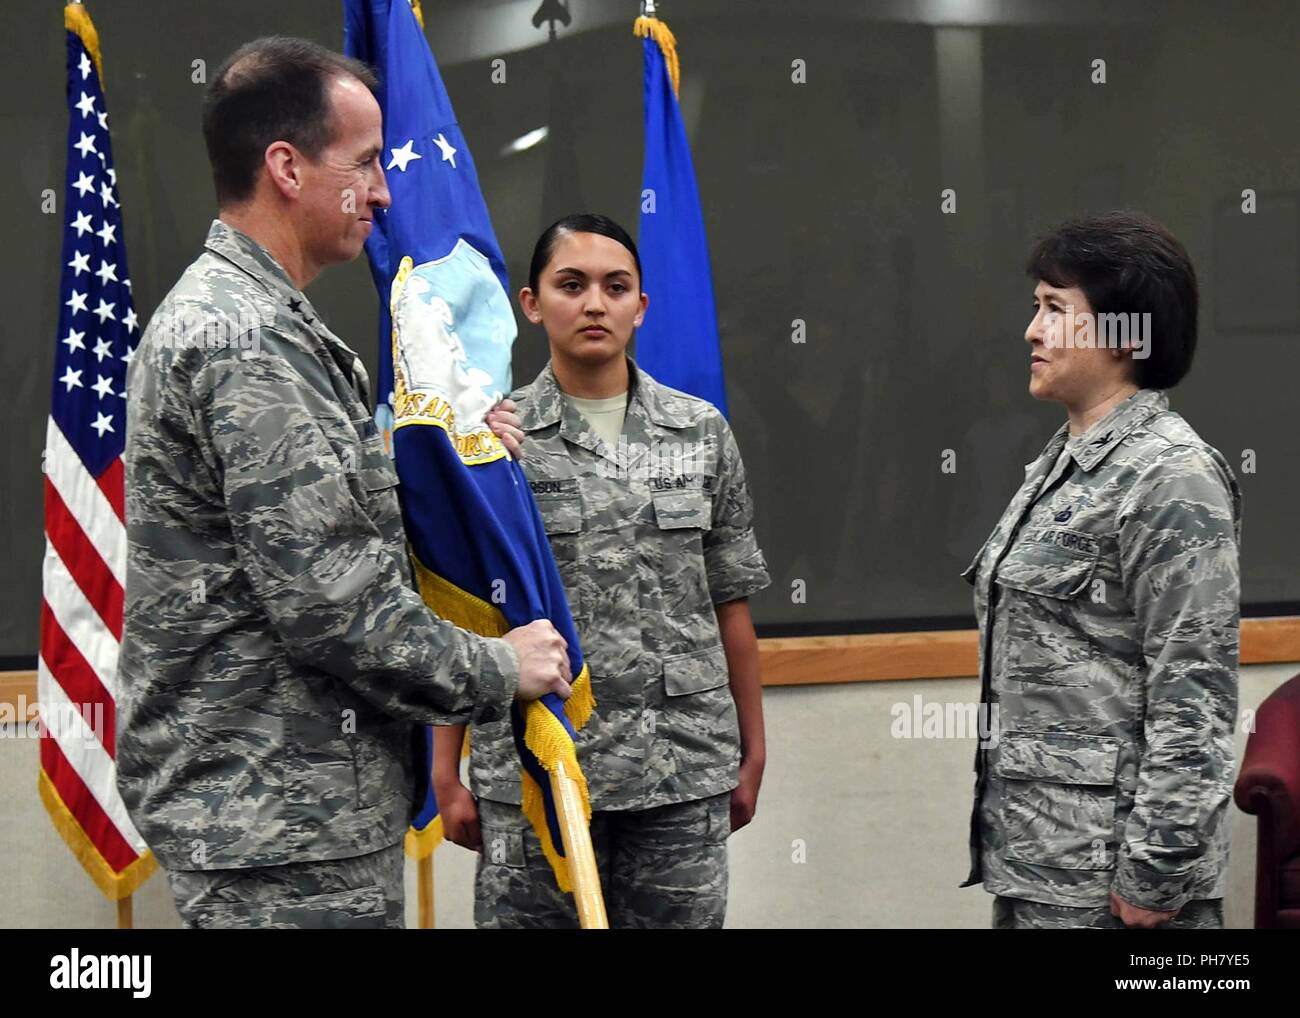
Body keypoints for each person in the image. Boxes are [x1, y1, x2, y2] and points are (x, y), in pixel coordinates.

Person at [115, 37, 570, 930]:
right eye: (363, 164)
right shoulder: (246, 342)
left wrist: (452, 458)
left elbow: (321, 526)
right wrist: (495, 666)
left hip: (291, 808)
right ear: (285, 167)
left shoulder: (258, 321)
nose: (387, 191)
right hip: (279, 819)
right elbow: (331, 599)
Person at [434, 214, 770, 928]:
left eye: (616, 287)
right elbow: (461, 611)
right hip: (537, 769)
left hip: (679, 768)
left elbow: (729, 598)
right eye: (571, 284)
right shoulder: (492, 436)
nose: (594, 303)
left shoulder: (700, 430)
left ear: (640, 306)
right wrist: (445, 770)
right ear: (531, 303)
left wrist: (754, 747)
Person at [961, 210, 1241, 929]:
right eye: (1037, 308)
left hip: (1114, 886)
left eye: (1056, 309)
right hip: (1043, 866)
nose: (1032, 330)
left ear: (1123, 332)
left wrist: (1154, 874)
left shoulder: (1170, 476)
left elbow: (1197, 700)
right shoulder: (1066, 462)